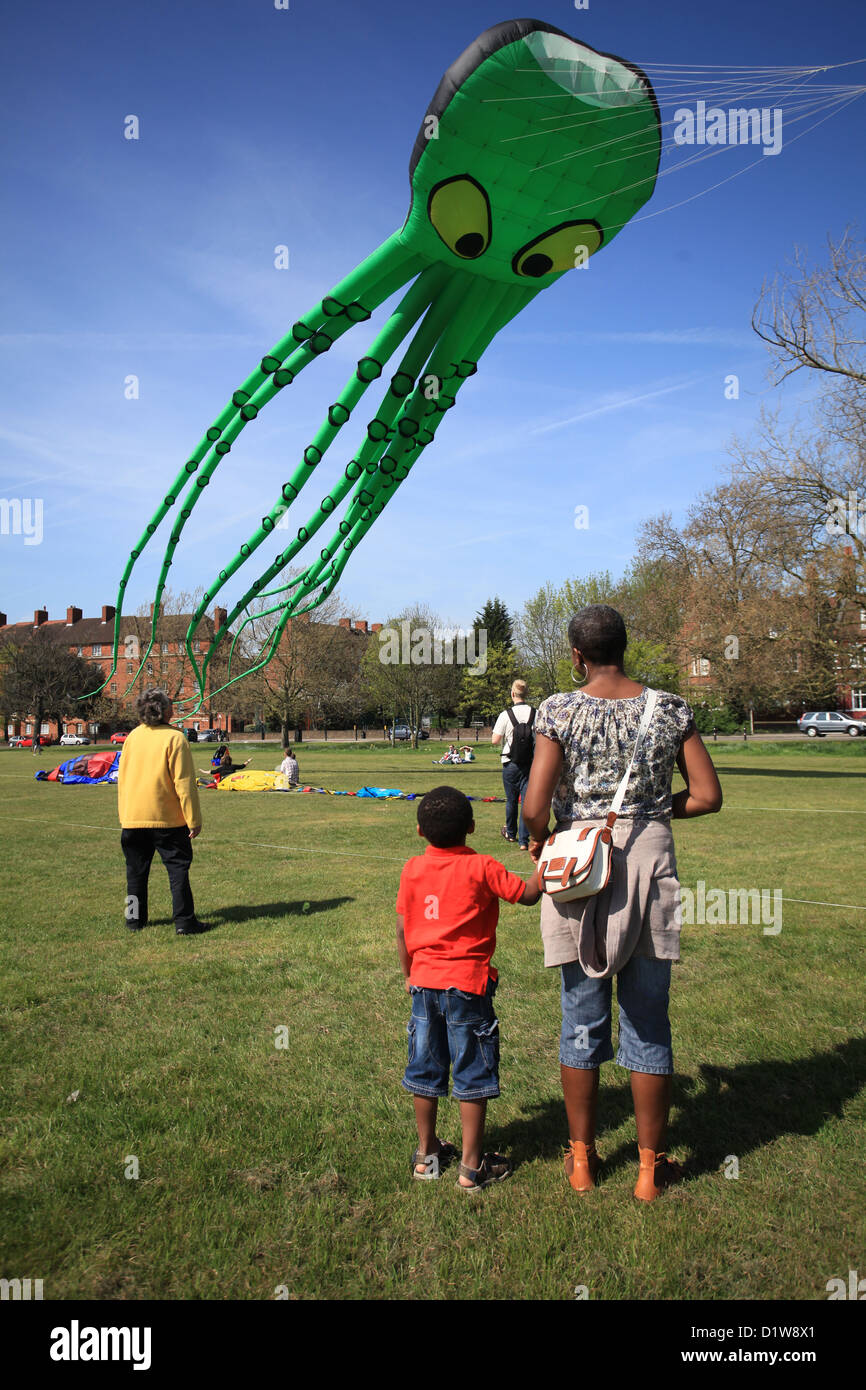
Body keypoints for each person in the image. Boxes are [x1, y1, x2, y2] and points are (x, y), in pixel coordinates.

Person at [522, 606, 722, 1202]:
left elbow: (535, 804)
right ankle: (648, 1169)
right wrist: (655, 813)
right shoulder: (670, 707)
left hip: (580, 859)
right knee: (648, 1016)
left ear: (577, 656)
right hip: (649, 858)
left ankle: (582, 1160)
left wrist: (539, 835)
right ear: (625, 648)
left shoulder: (557, 709)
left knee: (581, 1015)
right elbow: (708, 796)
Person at [396, 785, 541, 1191]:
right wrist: (543, 863)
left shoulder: (412, 869)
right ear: (473, 827)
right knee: (472, 1071)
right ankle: (471, 1166)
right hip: (469, 988)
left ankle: (426, 1157)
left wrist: (410, 973)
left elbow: (403, 928)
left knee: (424, 1068)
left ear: (420, 831)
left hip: (423, 985)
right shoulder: (482, 866)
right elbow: (527, 896)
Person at [118, 687, 208, 936]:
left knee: (135, 874)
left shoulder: (132, 737)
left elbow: (124, 778)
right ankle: (185, 921)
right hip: (167, 821)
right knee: (178, 870)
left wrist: (125, 815)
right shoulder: (175, 739)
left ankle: (133, 920)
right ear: (165, 711)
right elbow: (184, 784)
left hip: (133, 819)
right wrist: (193, 820)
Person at [491, 679, 535, 850]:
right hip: (529, 763)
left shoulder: (505, 714)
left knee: (511, 800)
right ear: (526, 694)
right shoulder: (535, 713)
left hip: (510, 762)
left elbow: (495, 740)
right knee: (526, 801)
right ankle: (524, 840)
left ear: (512, 694)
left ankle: (511, 832)